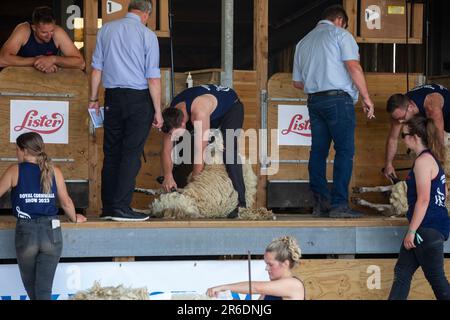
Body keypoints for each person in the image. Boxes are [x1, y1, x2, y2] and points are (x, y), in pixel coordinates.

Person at [292, 5, 374, 218]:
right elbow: (354, 67)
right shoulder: (340, 34)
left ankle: (320, 203)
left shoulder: (302, 42)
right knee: (344, 151)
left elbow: (297, 83)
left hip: (315, 102)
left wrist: (318, 80)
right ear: (339, 20)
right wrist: (365, 97)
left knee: (318, 151)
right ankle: (339, 205)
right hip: (338, 100)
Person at [89, 0, 163, 222]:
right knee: (131, 154)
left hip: (112, 98)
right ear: (146, 14)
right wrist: (158, 111)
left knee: (111, 152)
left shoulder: (106, 30)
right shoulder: (147, 35)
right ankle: (122, 207)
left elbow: (96, 69)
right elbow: (152, 78)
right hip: (138, 99)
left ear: (130, 10)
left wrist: (93, 99)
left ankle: (109, 207)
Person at [0, 132, 87, 300]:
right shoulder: (55, 170)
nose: (16, 153)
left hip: (26, 232)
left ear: (24, 151)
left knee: (35, 291)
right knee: (42, 292)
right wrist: (75, 218)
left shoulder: (15, 170)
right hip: (51, 233)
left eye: (16, 150)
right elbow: (66, 202)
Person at [160, 84, 246, 218]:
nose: (173, 135)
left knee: (229, 152)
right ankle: (174, 189)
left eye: (175, 132)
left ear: (183, 123)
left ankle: (241, 204)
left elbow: (200, 152)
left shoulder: (199, 113)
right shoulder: (172, 115)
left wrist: (194, 185)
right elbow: (166, 150)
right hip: (207, 108)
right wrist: (167, 175)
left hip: (231, 107)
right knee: (181, 148)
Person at [388, 115, 450, 300]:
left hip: (426, 228)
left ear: (414, 137)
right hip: (432, 227)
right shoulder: (433, 160)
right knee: (402, 273)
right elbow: (443, 193)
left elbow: (423, 200)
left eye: (404, 135)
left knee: (437, 280)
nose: (403, 139)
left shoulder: (423, 162)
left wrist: (412, 231)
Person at [383, 84, 450, 180]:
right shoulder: (400, 110)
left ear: (410, 107)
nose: (401, 122)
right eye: (398, 119)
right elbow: (393, 139)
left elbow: (438, 139)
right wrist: (388, 164)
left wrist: (438, 170)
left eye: (402, 118)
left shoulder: (431, 105)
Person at [206, 236, 305, 300]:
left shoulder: (294, 285)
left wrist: (223, 287)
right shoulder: (270, 290)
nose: (266, 268)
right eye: (266, 264)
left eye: (270, 264)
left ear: (285, 264)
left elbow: (255, 287)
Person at [0, 6, 85, 73]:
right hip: (18, 80)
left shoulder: (58, 32)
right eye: (44, 32)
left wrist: (53, 59)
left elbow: (80, 63)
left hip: (47, 83)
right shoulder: (24, 30)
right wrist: (37, 61)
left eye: (51, 31)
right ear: (34, 28)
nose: (49, 35)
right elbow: (2, 60)